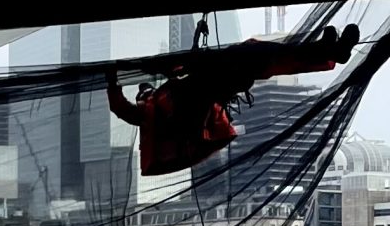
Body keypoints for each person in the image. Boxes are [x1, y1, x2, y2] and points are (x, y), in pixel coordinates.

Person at [107, 22, 361, 174]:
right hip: (218, 82)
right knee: (257, 55)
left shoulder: (166, 96)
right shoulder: (153, 112)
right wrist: (112, 82)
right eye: (144, 92)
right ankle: (326, 54)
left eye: (145, 91)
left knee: (261, 56)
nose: (147, 93)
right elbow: (122, 108)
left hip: (218, 81)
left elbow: (186, 80)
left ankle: (326, 53)